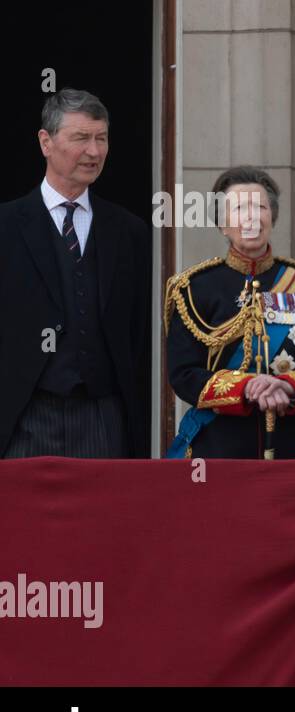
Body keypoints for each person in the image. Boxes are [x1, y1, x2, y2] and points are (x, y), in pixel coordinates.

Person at [0, 88, 151, 458]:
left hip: (103, 416)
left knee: (108, 516)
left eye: (101, 139)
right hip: (23, 416)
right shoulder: (5, 226)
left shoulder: (129, 231)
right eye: (81, 138)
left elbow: (139, 335)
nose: (94, 151)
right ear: (45, 142)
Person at [164, 166, 295, 458]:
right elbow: (184, 374)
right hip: (220, 448)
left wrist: (286, 387)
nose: (251, 216)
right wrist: (247, 387)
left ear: (271, 217)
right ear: (223, 224)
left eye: (259, 207)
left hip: (293, 446)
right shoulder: (194, 288)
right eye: (239, 208)